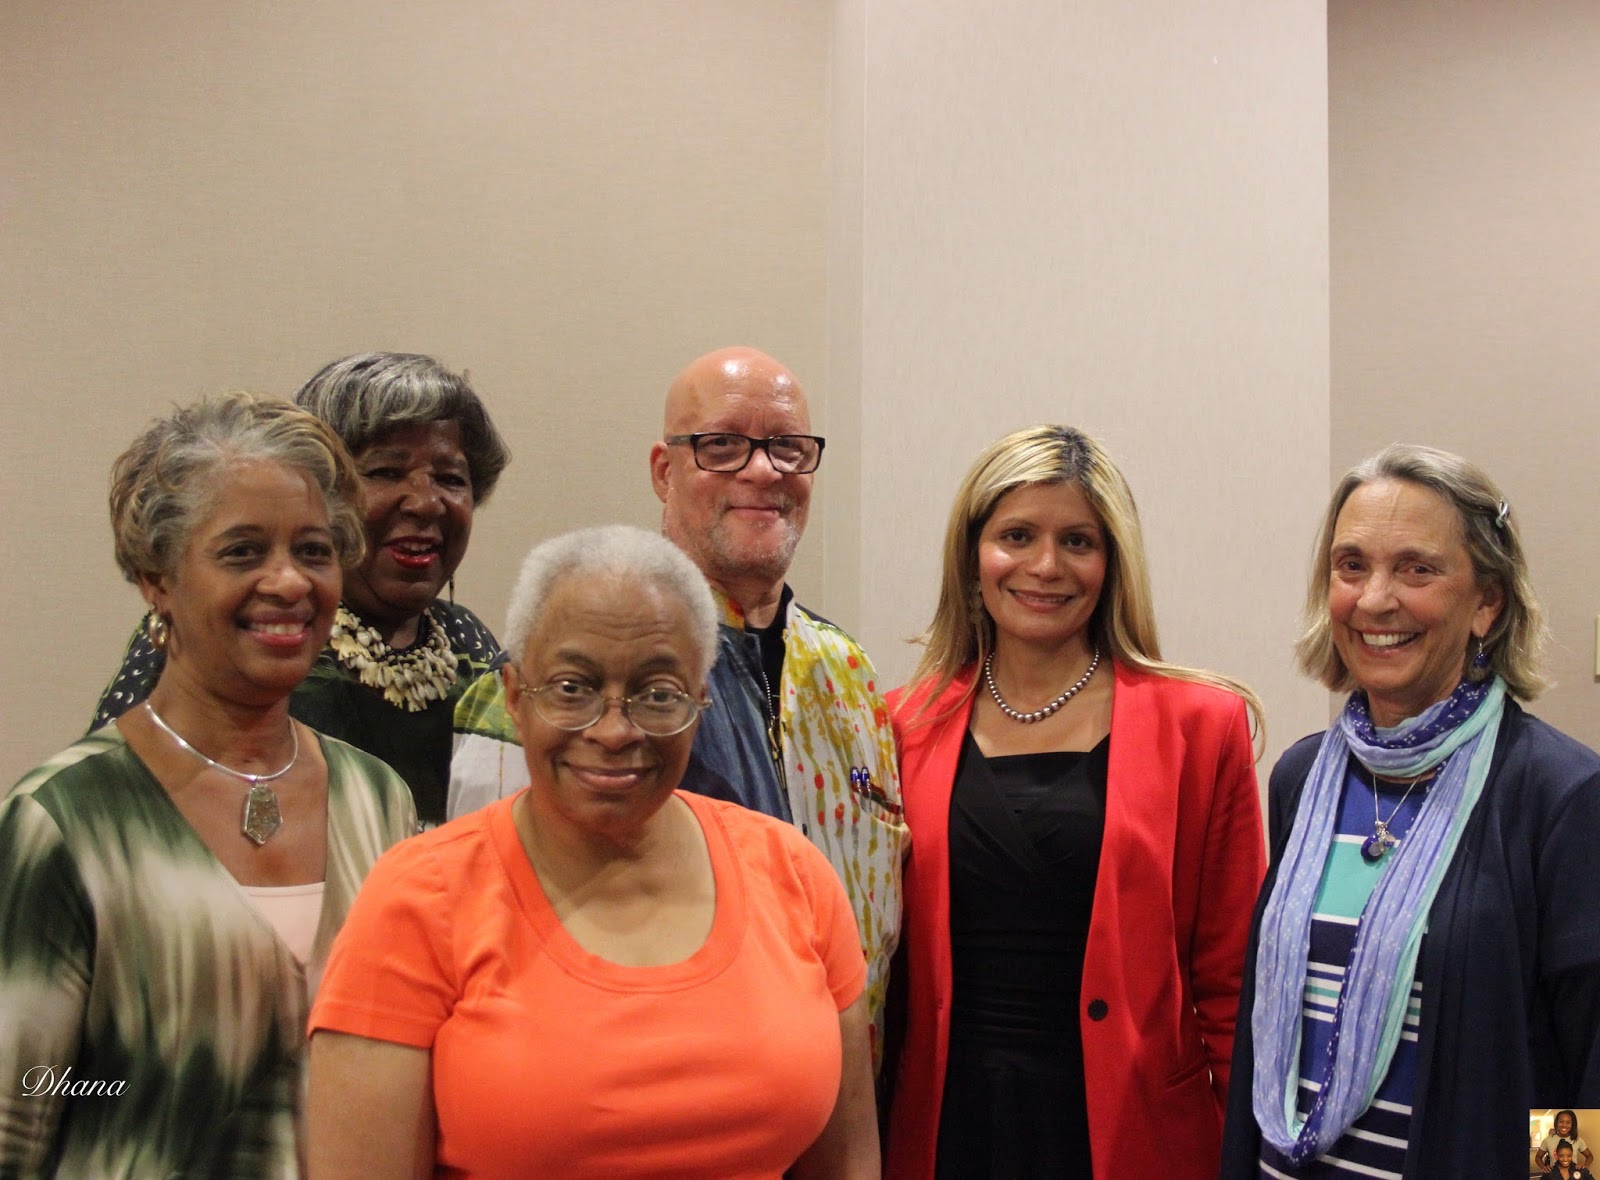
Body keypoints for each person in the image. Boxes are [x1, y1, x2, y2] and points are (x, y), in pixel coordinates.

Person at [307, 525, 879, 1178]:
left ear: (700, 700)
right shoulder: (418, 900)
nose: (614, 730)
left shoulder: (794, 875)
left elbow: (849, 1163)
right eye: (573, 687)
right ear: (516, 697)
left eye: (658, 693)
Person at [0, 394, 416, 1177]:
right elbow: (13, 1116)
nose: (290, 582)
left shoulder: (379, 800)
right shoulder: (63, 820)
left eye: (315, 550)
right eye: (242, 552)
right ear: (156, 578)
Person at [450, 346, 906, 1055]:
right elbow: (482, 936)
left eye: (788, 447)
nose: (763, 470)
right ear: (665, 471)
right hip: (647, 1092)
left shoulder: (849, 676)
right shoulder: (549, 684)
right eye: (723, 445)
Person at [884, 425, 1266, 1179]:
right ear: (973, 555)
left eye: (1079, 542)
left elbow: (1233, 984)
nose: (1045, 567)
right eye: (1017, 535)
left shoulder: (1201, 727)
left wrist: (1244, 1154)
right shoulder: (898, 725)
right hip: (946, 1126)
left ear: (1112, 561)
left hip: (1129, 1132)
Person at [1221, 445, 1600, 1179]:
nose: (1374, 600)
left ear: (1486, 601)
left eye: (1417, 569)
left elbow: (1590, 1071)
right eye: (1351, 565)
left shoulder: (1562, 796)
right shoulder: (1302, 779)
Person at [91, 352, 511, 825]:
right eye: (386, 472)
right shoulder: (242, 632)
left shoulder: (468, 645)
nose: (426, 502)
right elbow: (110, 814)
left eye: (451, 478)